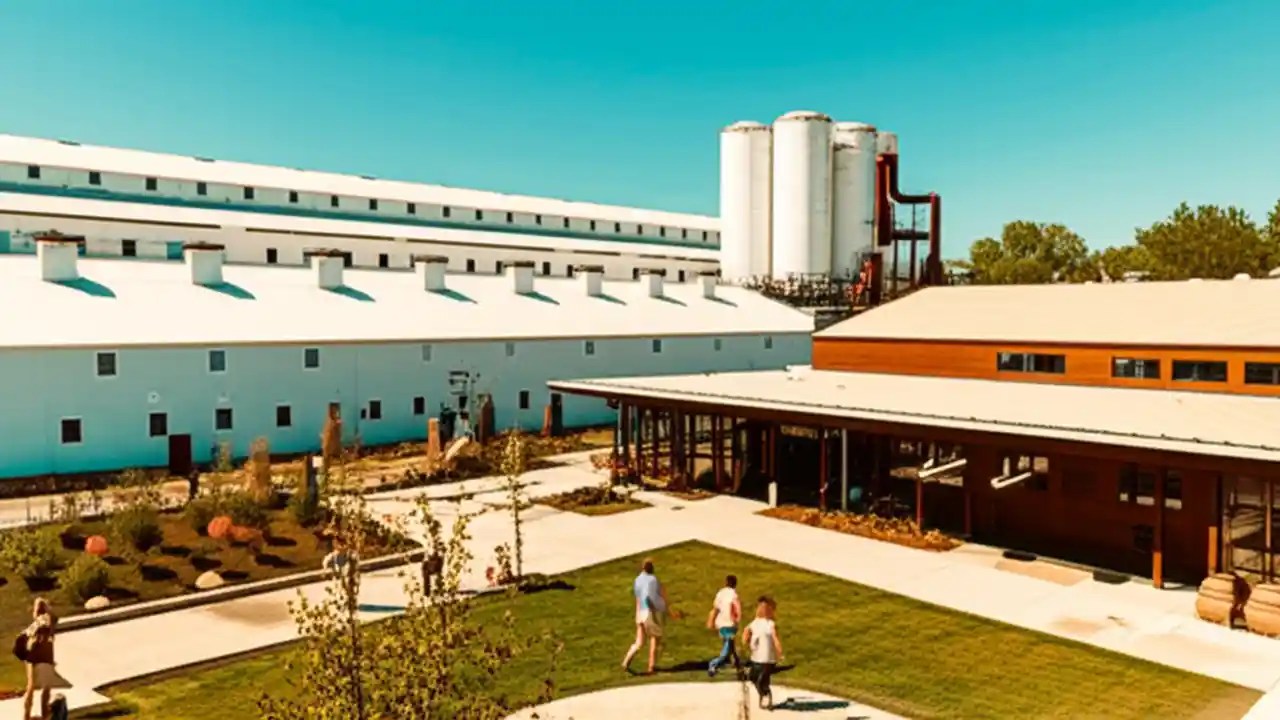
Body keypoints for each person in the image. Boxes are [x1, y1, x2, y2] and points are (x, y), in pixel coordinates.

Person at [622, 557, 668, 674]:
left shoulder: (637, 580)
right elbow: (649, 597)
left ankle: (626, 662)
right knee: (654, 638)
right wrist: (654, 609)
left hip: (640, 612)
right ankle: (651, 667)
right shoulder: (653, 580)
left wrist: (637, 615)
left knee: (639, 642)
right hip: (649, 612)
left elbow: (638, 598)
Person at [23, 598, 64, 720]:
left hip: (33, 654)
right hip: (44, 656)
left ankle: (26, 715)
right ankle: (45, 715)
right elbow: (54, 620)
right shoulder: (47, 620)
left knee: (31, 686)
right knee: (46, 688)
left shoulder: (34, 625)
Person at [743, 596, 784, 711]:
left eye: (765, 607)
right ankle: (764, 694)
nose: (761, 609)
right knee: (752, 677)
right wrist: (746, 639)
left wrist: (779, 652)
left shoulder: (770, 624)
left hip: (768, 659)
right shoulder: (754, 623)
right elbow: (746, 633)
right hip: (756, 658)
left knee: (761, 680)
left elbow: (775, 639)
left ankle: (766, 695)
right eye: (760, 607)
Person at [707, 574, 742, 677]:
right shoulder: (734, 594)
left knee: (730, 645)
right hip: (730, 624)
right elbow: (737, 607)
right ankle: (714, 664)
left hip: (721, 624)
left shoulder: (720, 593)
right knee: (728, 647)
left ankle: (736, 664)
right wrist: (738, 618)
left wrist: (711, 621)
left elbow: (715, 608)